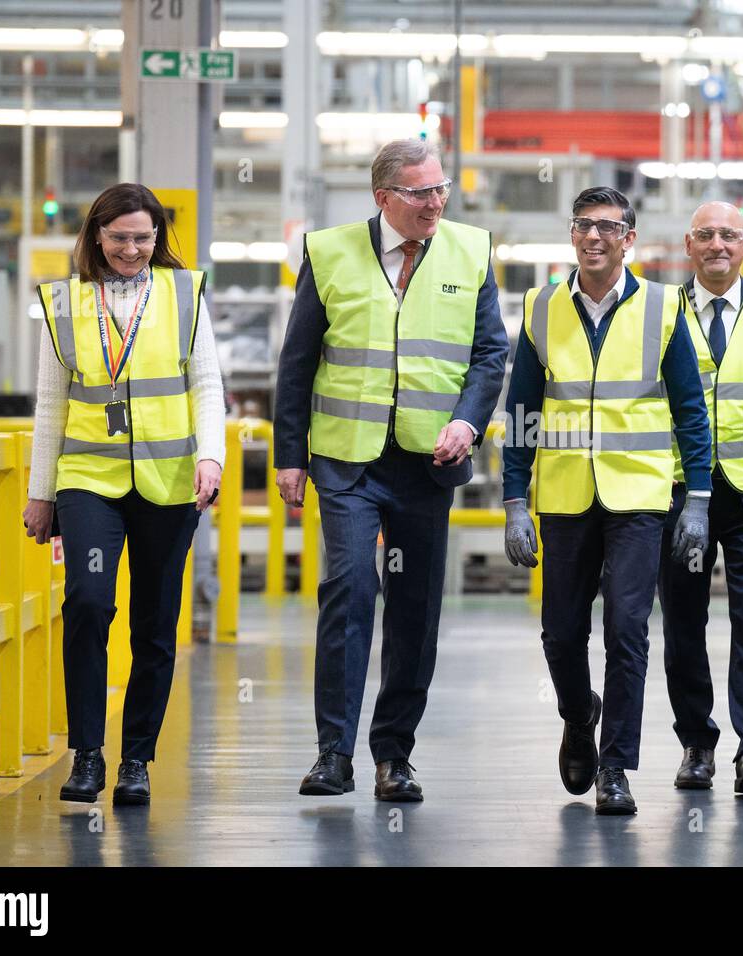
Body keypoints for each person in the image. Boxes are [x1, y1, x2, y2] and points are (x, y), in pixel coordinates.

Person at [274, 139, 507, 803]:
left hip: (427, 463)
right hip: (348, 460)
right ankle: (333, 754)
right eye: (419, 193)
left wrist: (468, 421)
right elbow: (298, 362)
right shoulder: (329, 252)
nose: (435, 203)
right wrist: (289, 454)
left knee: (414, 609)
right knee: (349, 592)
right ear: (383, 198)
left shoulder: (470, 249)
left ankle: (394, 755)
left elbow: (490, 354)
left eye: (440, 190)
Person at [502, 186, 712, 816]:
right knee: (561, 634)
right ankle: (578, 714)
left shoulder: (663, 308)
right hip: (565, 496)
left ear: (629, 238)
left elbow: (690, 412)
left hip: (638, 496)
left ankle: (616, 766)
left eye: (607, 227)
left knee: (628, 629)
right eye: (583, 226)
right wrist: (515, 497)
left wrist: (697, 498)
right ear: (572, 235)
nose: (594, 237)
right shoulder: (541, 308)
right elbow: (520, 410)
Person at [23, 182, 224, 807]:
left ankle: (136, 757)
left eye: (142, 237)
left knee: (155, 624)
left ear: (158, 237)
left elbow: (207, 386)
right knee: (87, 602)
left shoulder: (184, 294)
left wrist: (211, 456)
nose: (131, 249)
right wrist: (40, 494)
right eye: (118, 238)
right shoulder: (65, 304)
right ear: (96, 237)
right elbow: (51, 403)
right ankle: (87, 753)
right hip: (89, 480)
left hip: (168, 482)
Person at [658, 201, 743, 795]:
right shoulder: (661, 310)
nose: (717, 245)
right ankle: (696, 744)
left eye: (728, 235)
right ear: (689, 245)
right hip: (683, 493)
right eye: (705, 235)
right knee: (684, 617)